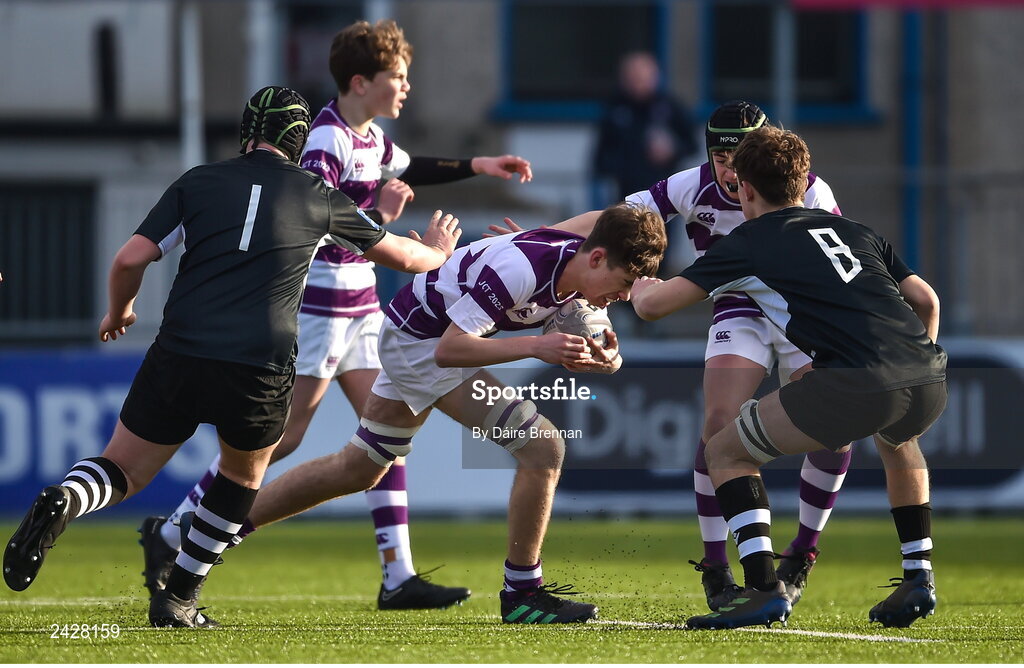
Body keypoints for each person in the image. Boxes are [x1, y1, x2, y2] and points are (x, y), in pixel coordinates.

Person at [3, 86, 461, 629]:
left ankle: (66, 498)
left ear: (248, 132)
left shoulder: (197, 181)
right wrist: (437, 249)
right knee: (242, 479)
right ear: (299, 142)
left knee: (121, 467)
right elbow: (404, 257)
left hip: (181, 347)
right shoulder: (316, 191)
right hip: (258, 361)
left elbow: (130, 258)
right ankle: (178, 600)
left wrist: (118, 312)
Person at [139, 19, 533, 611]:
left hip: (363, 307)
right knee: (287, 436)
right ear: (360, 81)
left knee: (384, 433)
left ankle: (397, 575)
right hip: (323, 305)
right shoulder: (325, 140)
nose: (406, 88)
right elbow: (305, 224)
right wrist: (382, 210)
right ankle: (172, 534)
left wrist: (479, 164)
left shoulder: (369, 136)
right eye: (397, 77)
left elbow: (409, 166)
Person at [222, 202, 666, 625]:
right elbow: (450, 348)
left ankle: (209, 533)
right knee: (543, 447)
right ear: (598, 257)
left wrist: (607, 356)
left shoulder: (574, 258)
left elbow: (572, 310)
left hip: (410, 334)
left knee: (357, 468)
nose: (624, 296)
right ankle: (522, 594)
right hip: (422, 347)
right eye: (624, 282)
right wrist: (537, 346)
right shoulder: (521, 270)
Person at [630, 124, 946, 630]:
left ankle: (761, 589)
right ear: (802, 183)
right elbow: (926, 299)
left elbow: (654, 308)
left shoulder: (752, 240)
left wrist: (640, 287)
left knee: (725, 451)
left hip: (855, 381)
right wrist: (919, 359)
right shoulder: (857, 231)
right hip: (927, 373)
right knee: (899, 443)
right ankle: (918, 577)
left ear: (745, 189)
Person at [625, 100, 853, 611]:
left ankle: (802, 551)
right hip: (739, 305)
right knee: (718, 426)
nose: (729, 171)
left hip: (802, 313)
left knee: (833, 430)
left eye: (738, 157)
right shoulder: (690, 184)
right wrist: (546, 241)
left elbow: (841, 260)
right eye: (719, 157)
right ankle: (716, 564)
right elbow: (619, 218)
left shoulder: (810, 190)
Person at [592, 51, 697, 202]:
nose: (637, 84)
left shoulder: (670, 107)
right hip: (625, 194)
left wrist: (672, 150)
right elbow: (601, 158)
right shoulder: (614, 109)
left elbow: (692, 145)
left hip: (664, 195)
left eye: (642, 78)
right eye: (632, 78)